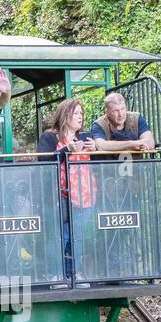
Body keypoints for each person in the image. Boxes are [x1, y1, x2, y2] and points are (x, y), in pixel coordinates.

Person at [37, 97, 99, 283]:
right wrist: (66, 150)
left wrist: (96, 148)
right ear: (65, 115)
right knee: (61, 236)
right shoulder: (50, 136)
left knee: (77, 237)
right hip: (60, 195)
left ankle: (74, 274)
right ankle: (56, 275)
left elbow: (97, 163)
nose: (80, 117)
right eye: (76, 113)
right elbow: (43, 162)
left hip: (85, 195)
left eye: (81, 113)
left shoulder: (85, 137)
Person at [88, 91, 155, 153]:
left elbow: (150, 142)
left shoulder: (136, 118)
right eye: (116, 111)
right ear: (107, 112)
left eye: (123, 109)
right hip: (109, 165)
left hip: (137, 165)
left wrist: (144, 145)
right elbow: (100, 145)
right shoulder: (99, 124)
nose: (120, 114)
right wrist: (132, 144)